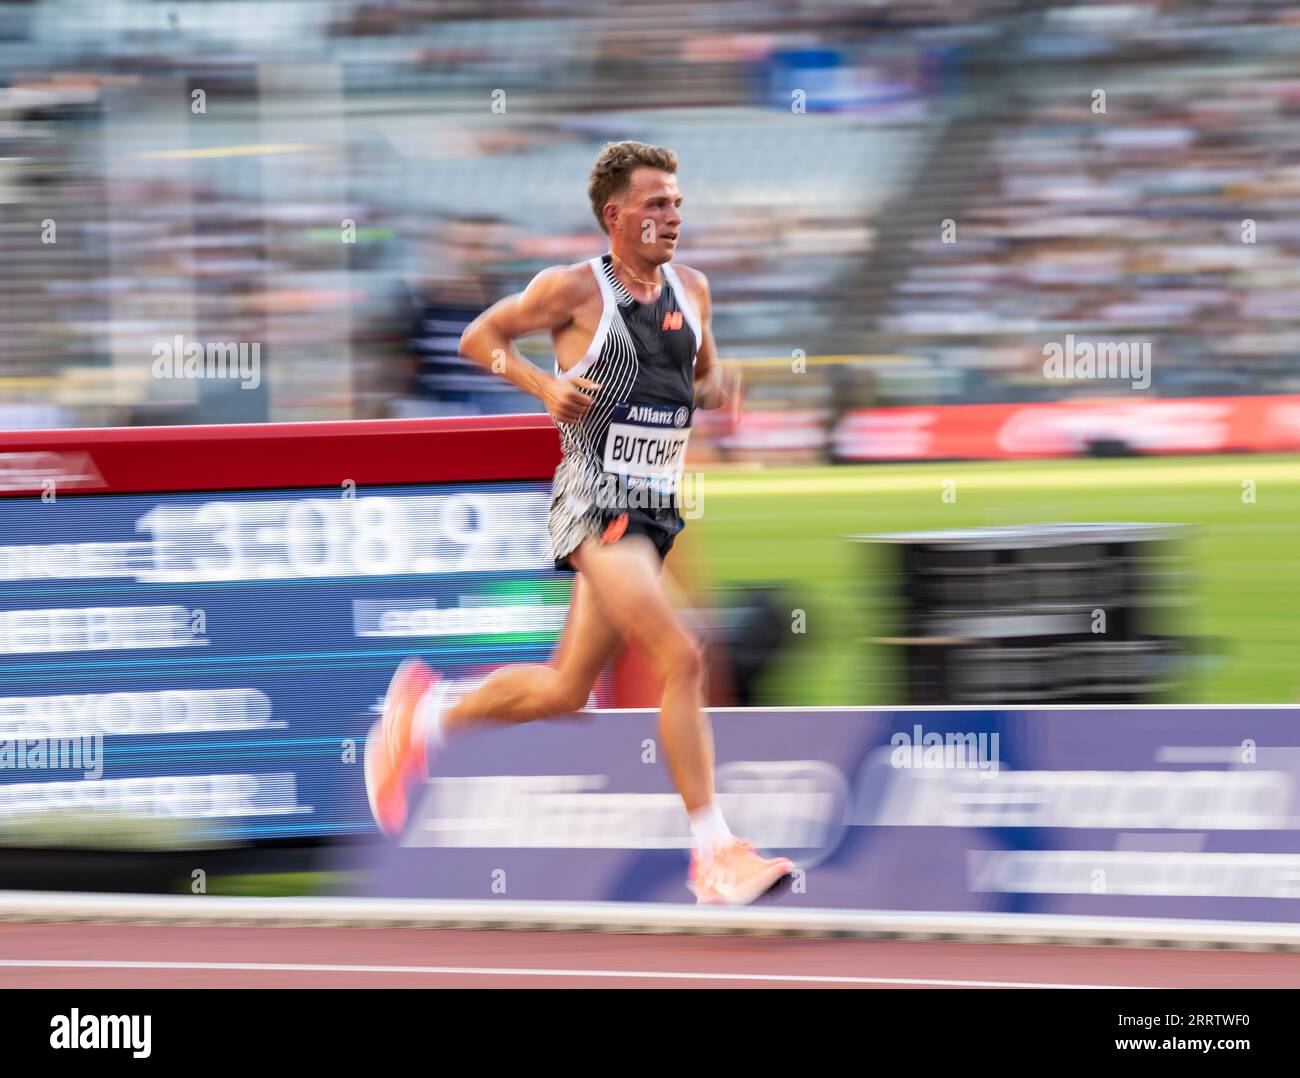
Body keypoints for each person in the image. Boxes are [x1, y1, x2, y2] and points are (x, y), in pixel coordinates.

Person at [364, 141, 792, 906]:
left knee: (566, 690)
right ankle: (714, 853)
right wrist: (541, 384)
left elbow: (698, 378)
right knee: (684, 655)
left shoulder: (693, 289)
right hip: (596, 501)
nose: (672, 215)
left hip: (655, 506)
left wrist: (726, 388)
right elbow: (479, 339)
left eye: (678, 203)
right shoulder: (571, 289)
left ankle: (423, 717)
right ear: (615, 215)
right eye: (657, 203)